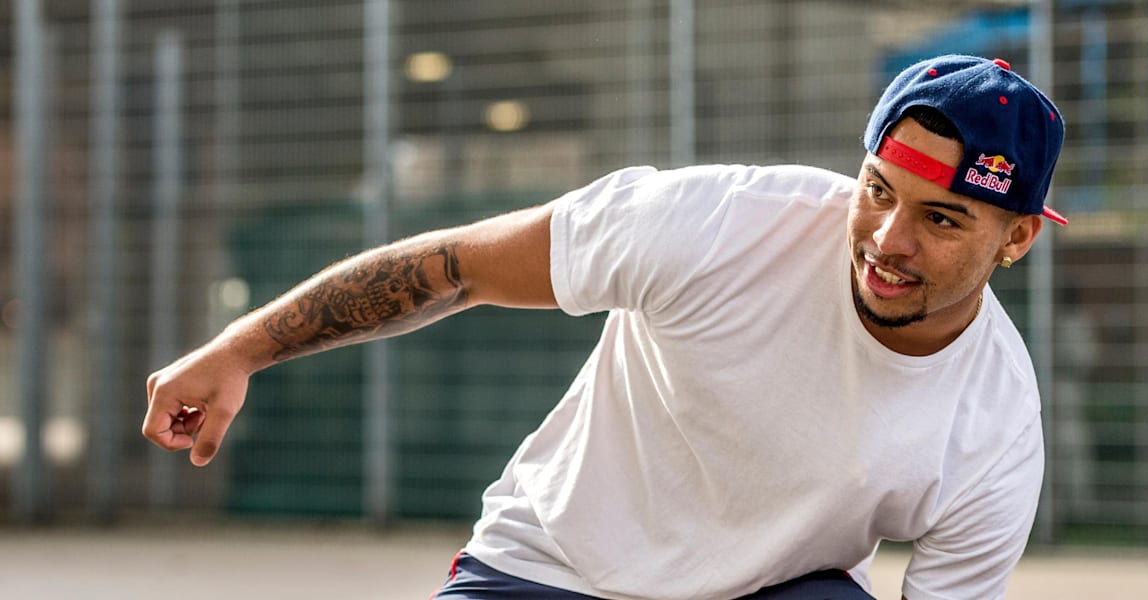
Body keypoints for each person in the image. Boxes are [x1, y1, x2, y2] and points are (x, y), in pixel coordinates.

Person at [143, 54, 1066, 599]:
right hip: (552, 568)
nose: (888, 241)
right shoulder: (721, 224)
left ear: (1016, 238)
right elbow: (456, 266)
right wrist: (242, 349)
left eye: (943, 219)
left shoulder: (996, 427)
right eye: (878, 192)